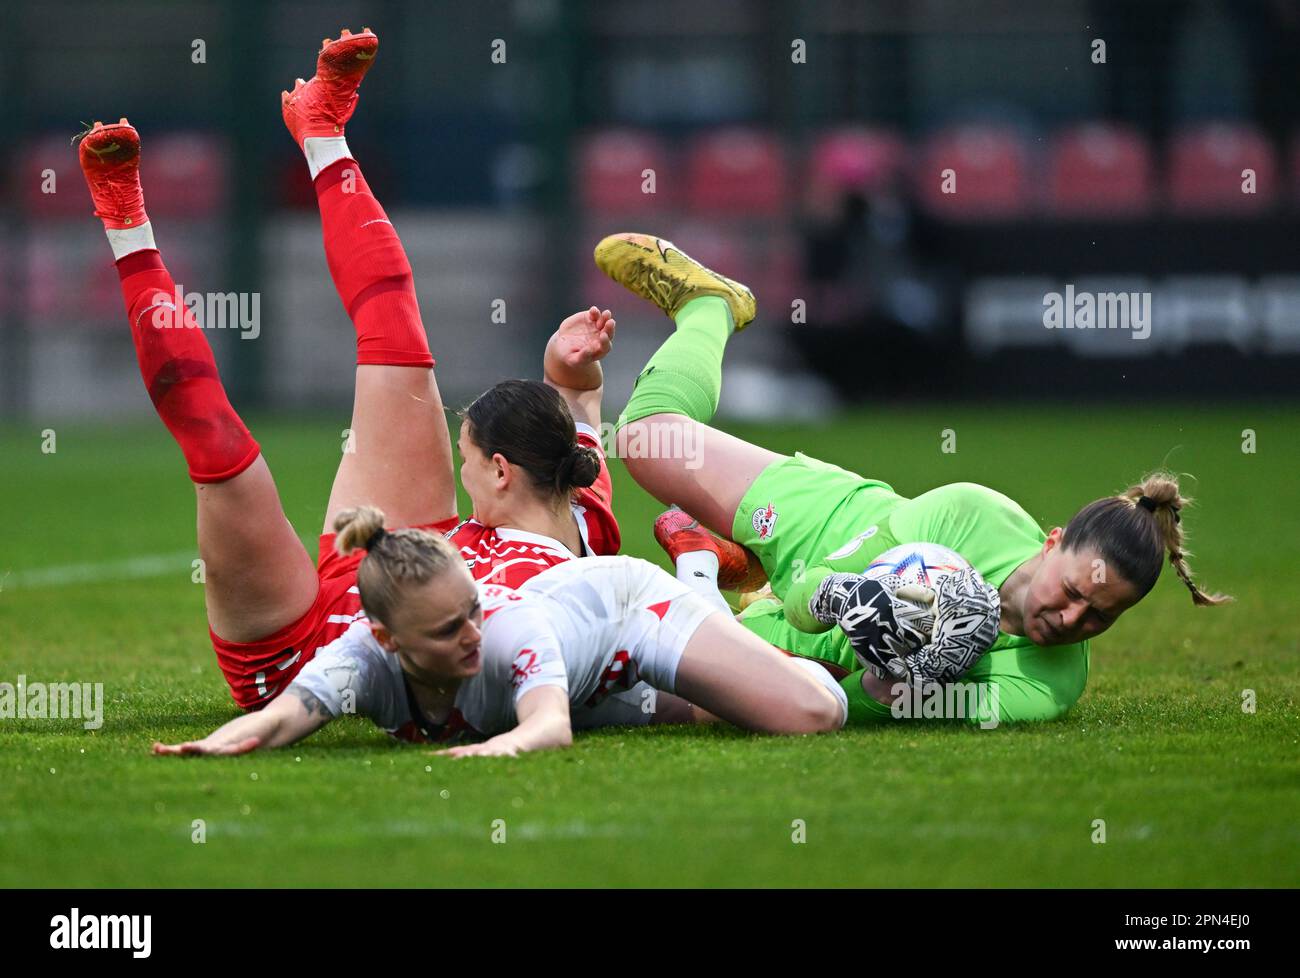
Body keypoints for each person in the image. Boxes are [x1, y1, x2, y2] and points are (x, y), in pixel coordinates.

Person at [76, 28, 617, 713]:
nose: (456, 459)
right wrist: (569, 369)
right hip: (391, 562)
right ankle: (322, 129)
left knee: (212, 436)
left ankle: (128, 230)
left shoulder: (576, 561)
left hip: (301, 649)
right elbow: (577, 413)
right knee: (395, 321)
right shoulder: (583, 510)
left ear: (502, 470)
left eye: (465, 450)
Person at [593, 232, 1230, 726]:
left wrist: (894, 687)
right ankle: (711, 306)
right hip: (828, 527)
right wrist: (823, 609)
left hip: (825, 646)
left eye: (1099, 618)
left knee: (702, 703)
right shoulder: (976, 513)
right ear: (1052, 541)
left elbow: (884, 706)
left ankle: (734, 573)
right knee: (645, 438)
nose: (1070, 620)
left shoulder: (1049, 685)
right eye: (1072, 591)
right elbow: (817, 594)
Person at [152, 507, 849, 757]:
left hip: (629, 612)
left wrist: (498, 751)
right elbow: (282, 717)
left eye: (473, 611)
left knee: (816, 709)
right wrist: (209, 747)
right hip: (584, 681)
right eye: (449, 628)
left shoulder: (509, 627)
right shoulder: (361, 660)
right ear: (387, 640)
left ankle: (696, 566)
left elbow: (548, 728)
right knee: (703, 716)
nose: (471, 633)